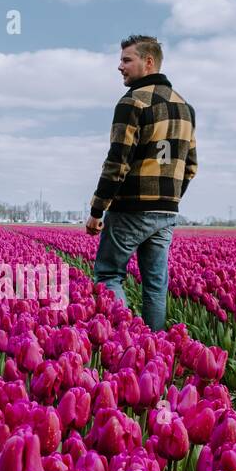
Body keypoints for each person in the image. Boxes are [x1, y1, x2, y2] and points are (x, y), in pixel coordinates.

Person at [86, 34, 196, 331]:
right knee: (156, 285)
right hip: (167, 212)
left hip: (131, 207)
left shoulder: (132, 102)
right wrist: (170, 199)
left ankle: (121, 342)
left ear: (148, 62)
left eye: (126, 60)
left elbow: (117, 162)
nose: (119, 67)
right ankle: (154, 350)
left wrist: (98, 209)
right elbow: (190, 166)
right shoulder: (186, 108)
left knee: (109, 275)